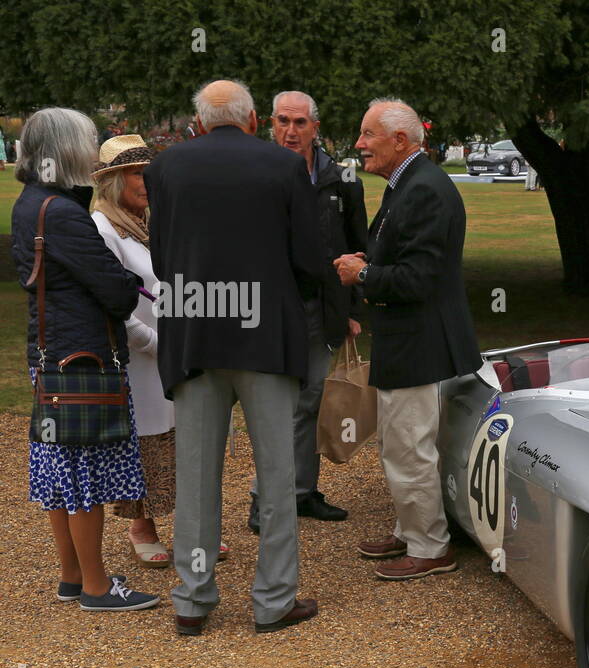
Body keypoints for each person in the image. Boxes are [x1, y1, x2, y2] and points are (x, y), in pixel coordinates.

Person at [146, 79, 327, 635]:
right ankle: (273, 600)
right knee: (276, 475)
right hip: (264, 337)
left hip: (194, 334)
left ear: (199, 123)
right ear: (252, 120)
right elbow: (308, 259)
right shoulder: (283, 167)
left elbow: (160, 256)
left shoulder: (165, 168)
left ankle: (192, 599)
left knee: (197, 475)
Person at [11, 108, 160, 612]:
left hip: (52, 354)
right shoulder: (62, 211)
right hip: (82, 360)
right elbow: (116, 292)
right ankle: (96, 588)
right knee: (85, 477)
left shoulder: (31, 203)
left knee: (61, 475)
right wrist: (127, 286)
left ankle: (73, 576)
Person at [334, 99, 481, 581]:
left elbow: (418, 279)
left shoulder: (423, 190)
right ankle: (412, 526)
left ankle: (429, 546)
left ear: (400, 140)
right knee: (401, 442)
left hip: (419, 343)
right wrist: (371, 261)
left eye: (367, 134)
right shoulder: (410, 183)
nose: (359, 144)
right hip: (412, 341)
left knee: (407, 445)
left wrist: (364, 274)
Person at [91, 134, 226, 570]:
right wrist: (152, 343)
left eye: (149, 172)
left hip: (179, 349)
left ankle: (195, 530)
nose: (146, 181)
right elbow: (110, 302)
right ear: (113, 180)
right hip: (141, 357)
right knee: (148, 444)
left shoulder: (155, 220)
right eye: (135, 173)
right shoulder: (102, 227)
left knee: (187, 439)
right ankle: (141, 528)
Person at [247, 90, 366, 535]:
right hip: (272, 309)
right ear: (270, 125)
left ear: (316, 127)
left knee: (312, 401)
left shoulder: (343, 176)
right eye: (282, 121)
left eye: (300, 122)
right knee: (273, 405)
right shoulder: (256, 172)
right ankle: (264, 498)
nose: (291, 131)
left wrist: (353, 308)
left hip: (323, 306)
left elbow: (358, 244)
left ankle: (302, 492)